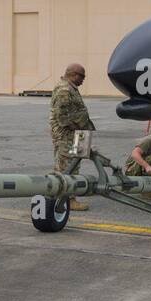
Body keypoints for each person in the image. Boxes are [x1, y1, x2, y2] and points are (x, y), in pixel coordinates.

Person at [48, 62, 96, 211]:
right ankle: (68, 199)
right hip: (67, 135)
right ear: (74, 75)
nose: (83, 80)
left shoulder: (70, 88)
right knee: (67, 167)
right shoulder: (64, 90)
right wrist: (79, 129)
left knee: (72, 165)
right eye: (82, 77)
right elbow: (63, 117)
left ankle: (62, 195)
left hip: (76, 134)